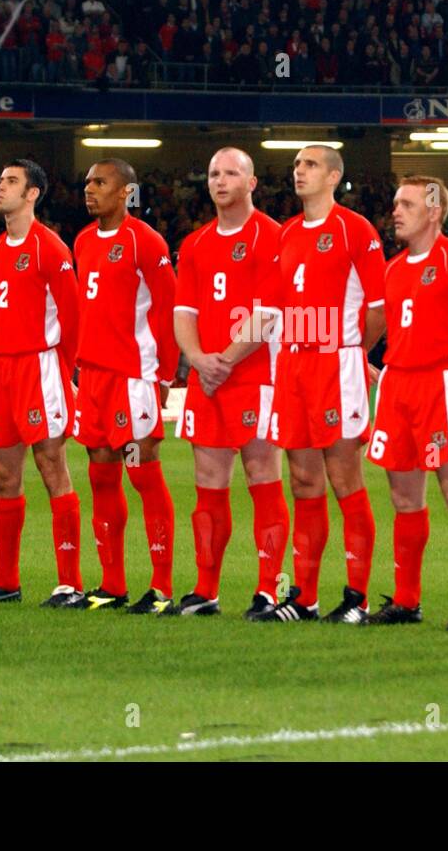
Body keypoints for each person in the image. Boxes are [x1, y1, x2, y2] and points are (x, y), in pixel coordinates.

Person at [365, 176, 448, 629]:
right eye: (395, 203)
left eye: (407, 204)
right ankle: (407, 601)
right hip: (397, 386)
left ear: (434, 211)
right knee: (403, 495)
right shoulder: (393, 268)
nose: (396, 211)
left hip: (441, 383)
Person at [263, 145, 387, 623]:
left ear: (334, 176)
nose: (299, 171)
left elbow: (378, 307)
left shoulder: (355, 229)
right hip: (292, 365)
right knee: (303, 481)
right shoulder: (288, 233)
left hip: (336, 366)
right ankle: (305, 598)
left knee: (344, 478)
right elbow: (276, 308)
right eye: (297, 165)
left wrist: (352, 351)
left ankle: (358, 598)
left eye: (310, 165)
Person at [170, 147, 290, 618]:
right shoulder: (195, 243)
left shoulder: (272, 236)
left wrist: (224, 361)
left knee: (263, 478)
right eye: (214, 173)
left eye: (231, 173)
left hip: (255, 376)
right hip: (207, 380)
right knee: (208, 485)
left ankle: (268, 590)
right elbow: (184, 313)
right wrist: (198, 359)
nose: (220, 181)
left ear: (252, 183)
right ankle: (206, 590)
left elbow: (269, 312)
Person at [72, 158, 179, 613]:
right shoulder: (82, 241)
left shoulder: (145, 241)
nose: (90, 189)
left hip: (132, 379)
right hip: (93, 378)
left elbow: (168, 310)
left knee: (142, 473)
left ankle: (161, 588)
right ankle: (112, 585)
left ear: (125, 192)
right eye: (88, 182)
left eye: (101, 182)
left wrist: (165, 377)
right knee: (101, 475)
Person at [0, 159, 82, 605]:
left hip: (39, 367)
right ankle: (6, 583)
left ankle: (70, 583)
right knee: (3, 475)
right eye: (1, 181)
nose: (1, 187)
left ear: (33, 193)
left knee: (51, 465)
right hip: (0, 369)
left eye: (11, 181)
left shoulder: (50, 248)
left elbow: (74, 320)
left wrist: (64, 372)